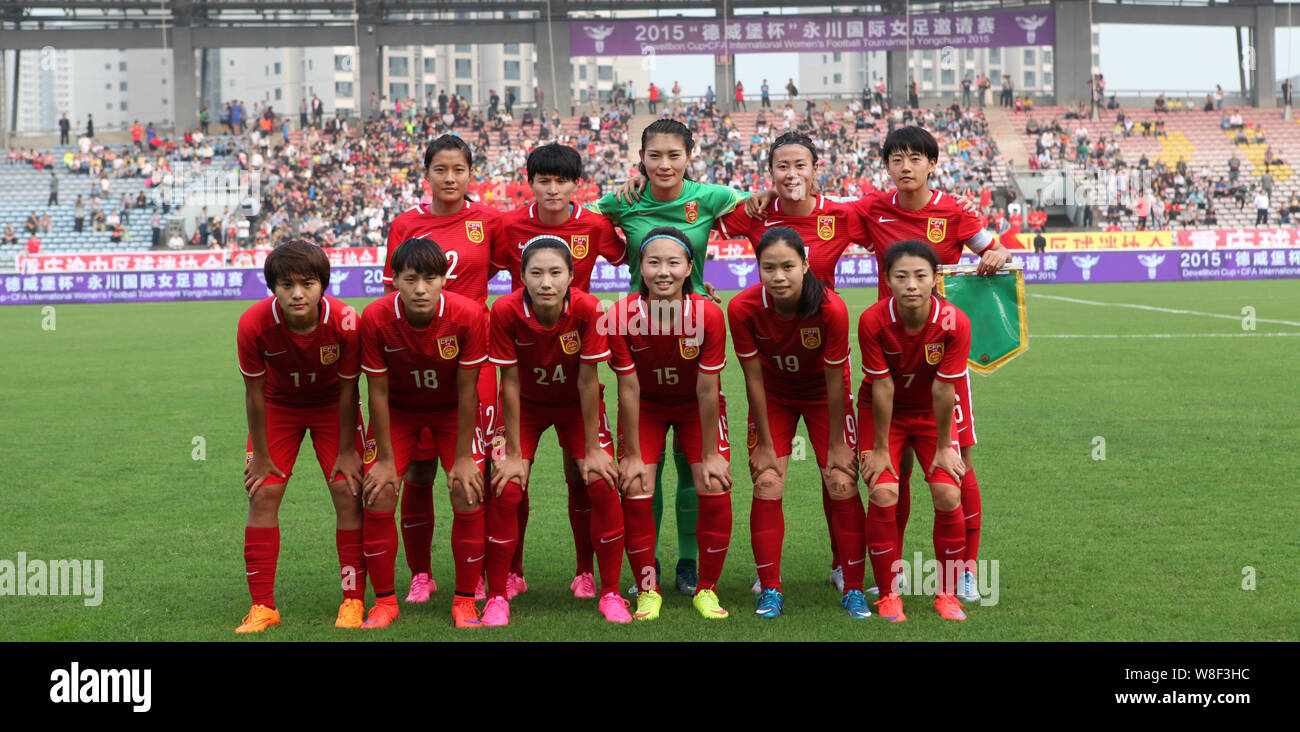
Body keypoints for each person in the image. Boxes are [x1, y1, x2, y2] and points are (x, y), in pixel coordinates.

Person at [590, 118, 752, 595]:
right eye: (654, 155)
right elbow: (583, 218)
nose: (664, 164)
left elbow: (757, 208)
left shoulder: (710, 197)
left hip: (696, 330)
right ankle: (650, 564)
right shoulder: (624, 200)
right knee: (645, 468)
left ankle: (687, 561)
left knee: (692, 464)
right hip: (641, 329)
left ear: (689, 156)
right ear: (640, 158)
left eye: (673, 155)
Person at [847, 126, 1003, 601]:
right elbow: (821, 213)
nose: (906, 165)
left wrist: (995, 253)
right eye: (897, 158)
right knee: (892, 474)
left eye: (916, 157)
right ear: (888, 166)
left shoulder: (954, 210)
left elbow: (992, 247)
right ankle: (887, 573)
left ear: (931, 164)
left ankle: (966, 571)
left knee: (958, 468)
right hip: (887, 351)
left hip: (941, 355)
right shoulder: (873, 208)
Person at [491, 143, 626, 596]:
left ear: (576, 183)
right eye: (543, 180)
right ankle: (512, 572)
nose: (552, 189)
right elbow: (472, 272)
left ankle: (587, 573)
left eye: (561, 181)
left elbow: (636, 251)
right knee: (511, 479)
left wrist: (632, 193)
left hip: (577, 354)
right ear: (530, 182)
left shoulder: (593, 224)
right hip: (523, 354)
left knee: (585, 474)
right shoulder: (507, 224)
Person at [381, 136, 505, 605]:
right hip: (416, 356)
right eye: (440, 169)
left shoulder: (489, 220)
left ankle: (501, 573)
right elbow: (393, 291)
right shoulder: (406, 224)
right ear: (426, 173)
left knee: (482, 468)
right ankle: (421, 574)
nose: (450, 179)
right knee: (418, 469)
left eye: (459, 169)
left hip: (476, 352)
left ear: (471, 172)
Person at [728, 227, 865, 620]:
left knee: (841, 479)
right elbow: (753, 379)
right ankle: (770, 588)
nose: (778, 276)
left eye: (788, 266)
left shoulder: (830, 309)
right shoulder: (742, 308)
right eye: (768, 267)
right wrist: (766, 445)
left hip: (824, 397)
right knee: (768, 480)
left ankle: (853, 588)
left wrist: (839, 443)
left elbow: (836, 379)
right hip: (774, 398)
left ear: (806, 265)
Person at [233, 240, 370, 633]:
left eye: (307, 283)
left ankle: (353, 599)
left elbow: (349, 391)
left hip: (332, 407)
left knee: (347, 491)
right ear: (273, 287)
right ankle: (262, 606)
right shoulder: (253, 323)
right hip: (278, 406)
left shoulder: (345, 321)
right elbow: (254, 393)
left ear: (322, 284)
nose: (297, 293)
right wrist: (260, 454)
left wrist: (347, 451)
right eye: (286, 284)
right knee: (263, 492)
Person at [361, 238, 489, 629]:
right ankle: (384, 602)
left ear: (444, 279)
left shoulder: (467, 315)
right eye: (411, 278)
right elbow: (377, 392)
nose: (420, 288)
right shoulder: (376, 318)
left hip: (452, 411)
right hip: (399, 412)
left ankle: (465, 601)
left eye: (430, 278)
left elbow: (468, 390)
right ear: (394, 279)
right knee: (379, 491)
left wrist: (465, 457)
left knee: (467, 489)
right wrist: (384, 461)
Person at [607, 227, 733, 621]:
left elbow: (708, 389)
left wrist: (711, 454)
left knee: (711, 482)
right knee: (637, 483)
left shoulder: (708, 314)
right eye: (654, 262)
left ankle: (707, 590)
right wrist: (632, 455)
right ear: (640, 268)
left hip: (696, 407)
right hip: (645, 406)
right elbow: (627, 389)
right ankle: (648, 589)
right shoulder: (620, 315)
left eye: (674, 262)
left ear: (689, 267)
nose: (664, 271)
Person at [860, 241, 973, 623]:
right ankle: (888, 594)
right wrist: (878, 450)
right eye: (901, 276)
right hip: (883, 413)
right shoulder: (873, 320)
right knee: (883, 489)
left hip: (931, 413)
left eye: (921, 275)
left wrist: (944, 447)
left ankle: (948, 593)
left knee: (946, 491)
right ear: (887, 279)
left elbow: (944, 389)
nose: (911, 284)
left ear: (935, 278)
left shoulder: (955, 321)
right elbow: (883, 387)